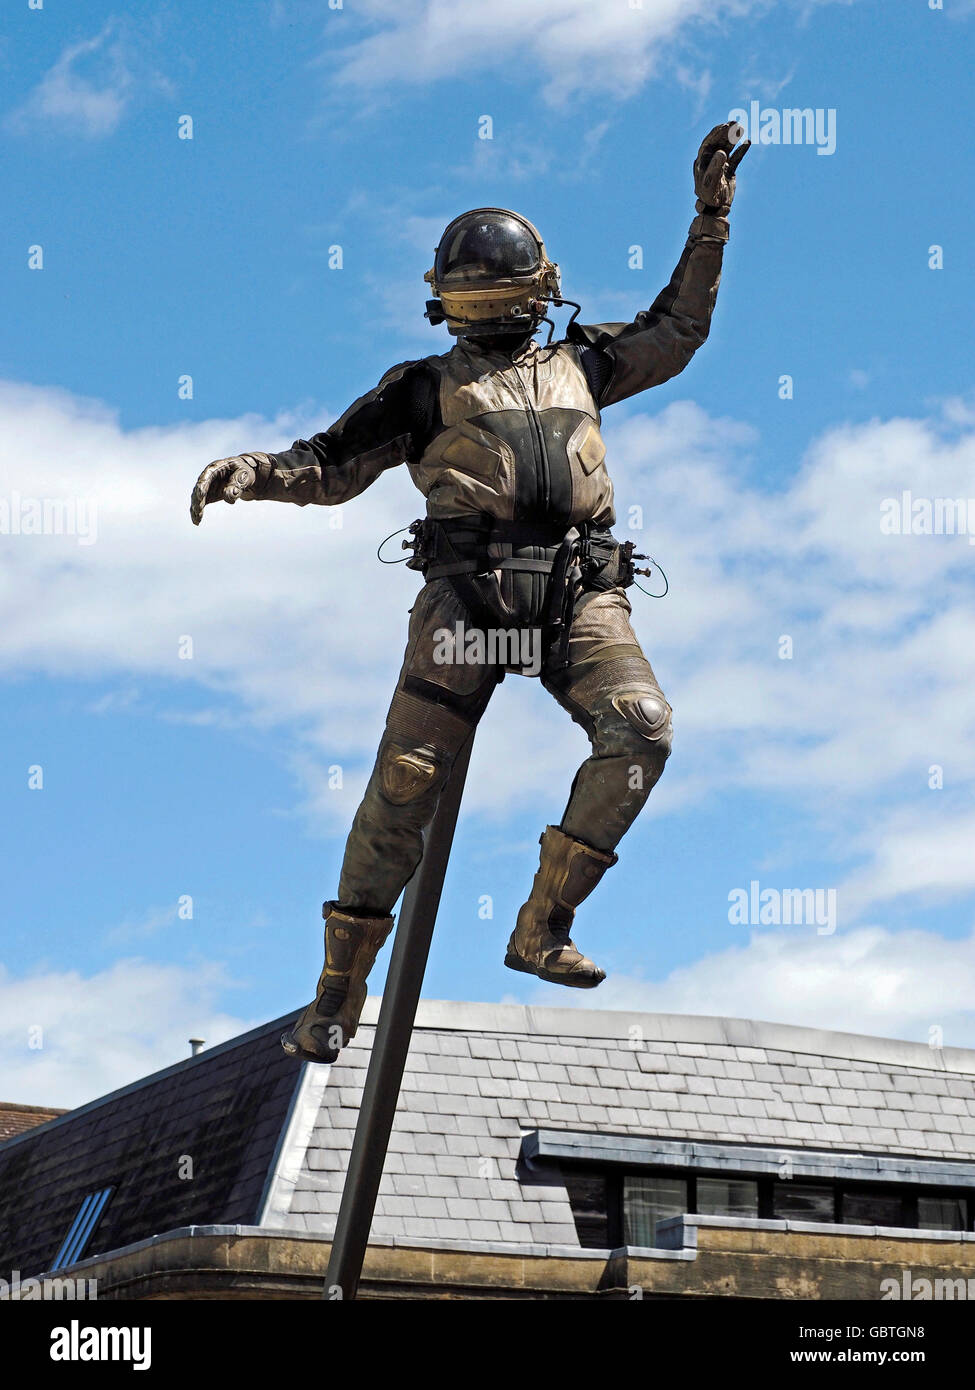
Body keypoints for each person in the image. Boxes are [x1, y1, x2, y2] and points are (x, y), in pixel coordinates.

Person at [190, 122, 749, 1064]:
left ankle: (541, 925)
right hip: (468, 602)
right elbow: (326, 463)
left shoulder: (587, 363)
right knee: (403, 785)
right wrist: (251, 471)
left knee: (641, 726)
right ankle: (337, 988)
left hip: (578, 596)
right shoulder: (421, 390)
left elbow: (678, 328)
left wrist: (709, 221)